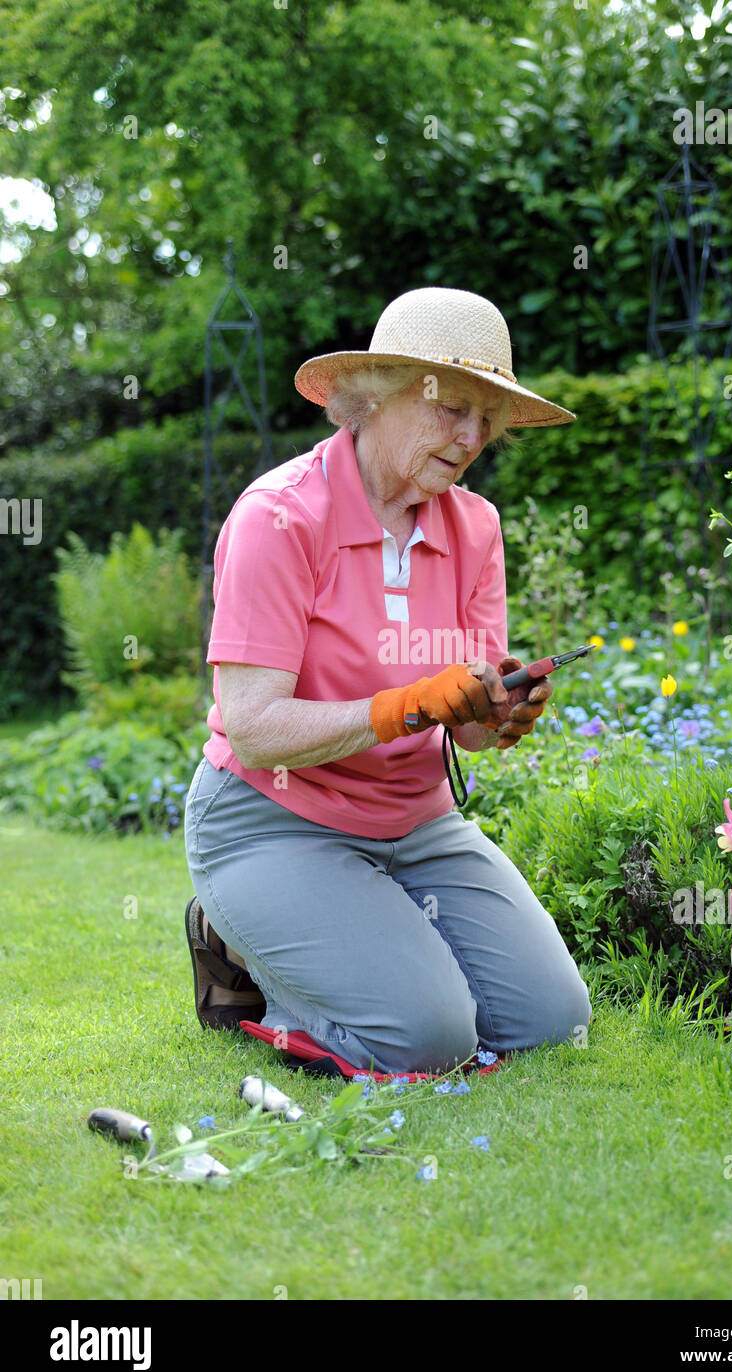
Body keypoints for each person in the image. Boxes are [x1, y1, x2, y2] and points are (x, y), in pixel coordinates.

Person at [184, 286, 592, 1074]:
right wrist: (405, 706)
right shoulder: (278, 518)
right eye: (450, 408)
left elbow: (464, 734)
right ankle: (229, 939)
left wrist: (497, 709)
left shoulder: (475, 527)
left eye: (488, 420)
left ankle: (354, 933)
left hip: (416, 823)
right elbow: (254, 725)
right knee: (427, 1039)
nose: (472, 436)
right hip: (274, 818)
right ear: (371, 399)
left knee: (551, 1021)